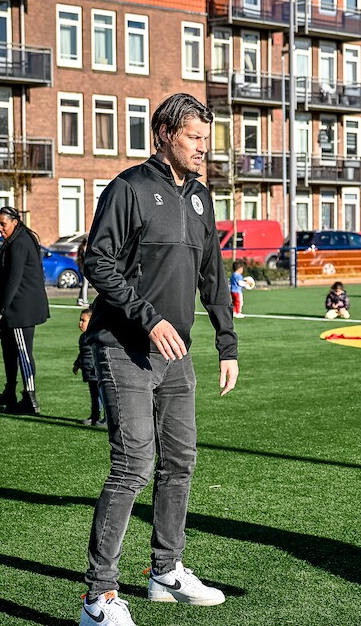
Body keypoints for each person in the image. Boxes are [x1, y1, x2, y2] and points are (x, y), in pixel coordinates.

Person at [79, 93, 239, 626]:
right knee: (133, 466)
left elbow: (213, 275)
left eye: (206, 139)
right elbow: (97, 260)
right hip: (123, 346)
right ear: (165, 134)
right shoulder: (128, 188)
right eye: (194, 137)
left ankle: (166, 570)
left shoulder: (200, 198)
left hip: (177, 355)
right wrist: (148, 318)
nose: (202, 148)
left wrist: (227, 343)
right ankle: (98, 598)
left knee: (180, 462)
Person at [0, 206, 50, 416]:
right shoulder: (14, 240)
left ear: (15, 222)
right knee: (9, 351)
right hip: (12, 308)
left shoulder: (20, 242)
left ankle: (30, 399)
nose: (0, 228)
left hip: (21, 309)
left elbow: (13, 280)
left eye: (2, 224)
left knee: (23, 353)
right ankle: (10, 393)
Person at [72, 308, 104, 428]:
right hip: (89, 373)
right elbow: (82, 353)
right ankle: (94, 417)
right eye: (80, 320)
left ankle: (107, 419)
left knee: (103, 397)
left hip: (96, 372)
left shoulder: (95, 336)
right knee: (94, 396)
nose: (80, 323)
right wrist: (77, 364)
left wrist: (97, 367)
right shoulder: (83, 337)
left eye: (83, 320)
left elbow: (98, 353)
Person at [77, 236, 91, 307]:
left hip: (82, 268)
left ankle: (80, 299)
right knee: (85, 284)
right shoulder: (84, 249)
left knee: (84, 284)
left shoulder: (83, 248)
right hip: (83, 269)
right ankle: (84, 300)